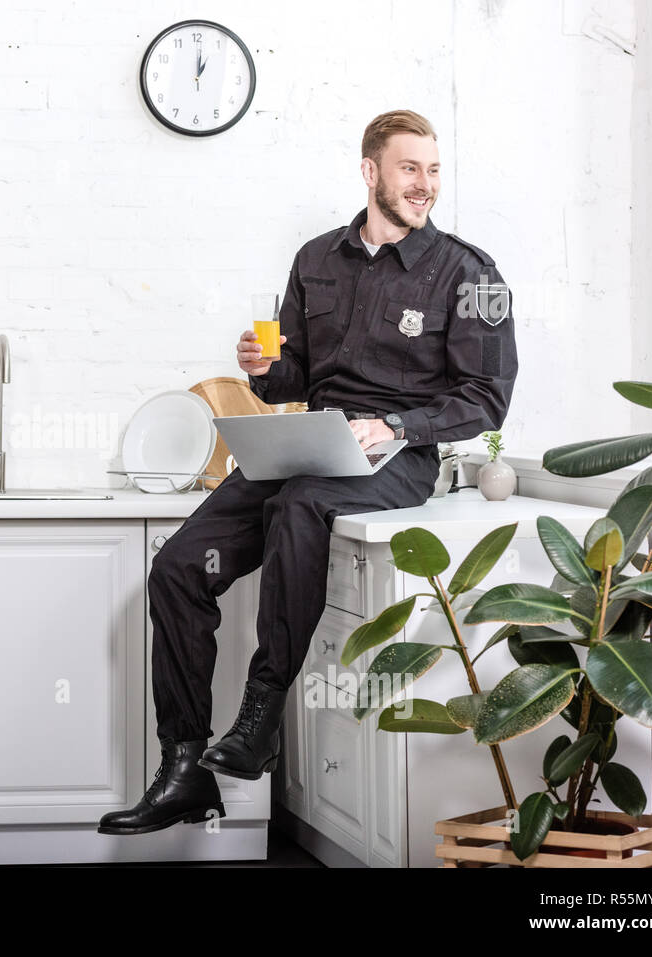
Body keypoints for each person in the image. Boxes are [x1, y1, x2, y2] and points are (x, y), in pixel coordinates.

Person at [98, 109, 519, 835]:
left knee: (301, 505)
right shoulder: (315, 258)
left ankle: (260, 717)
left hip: (398, 456)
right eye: (409, 168)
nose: (425, 185)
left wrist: (395, 425)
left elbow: (486, 397)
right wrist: (264, 370)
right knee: (175, 568)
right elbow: (294, 374)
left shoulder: (467, 272)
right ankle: (184, 766)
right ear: (370, 172)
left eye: (434, 169)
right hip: (311, 440)